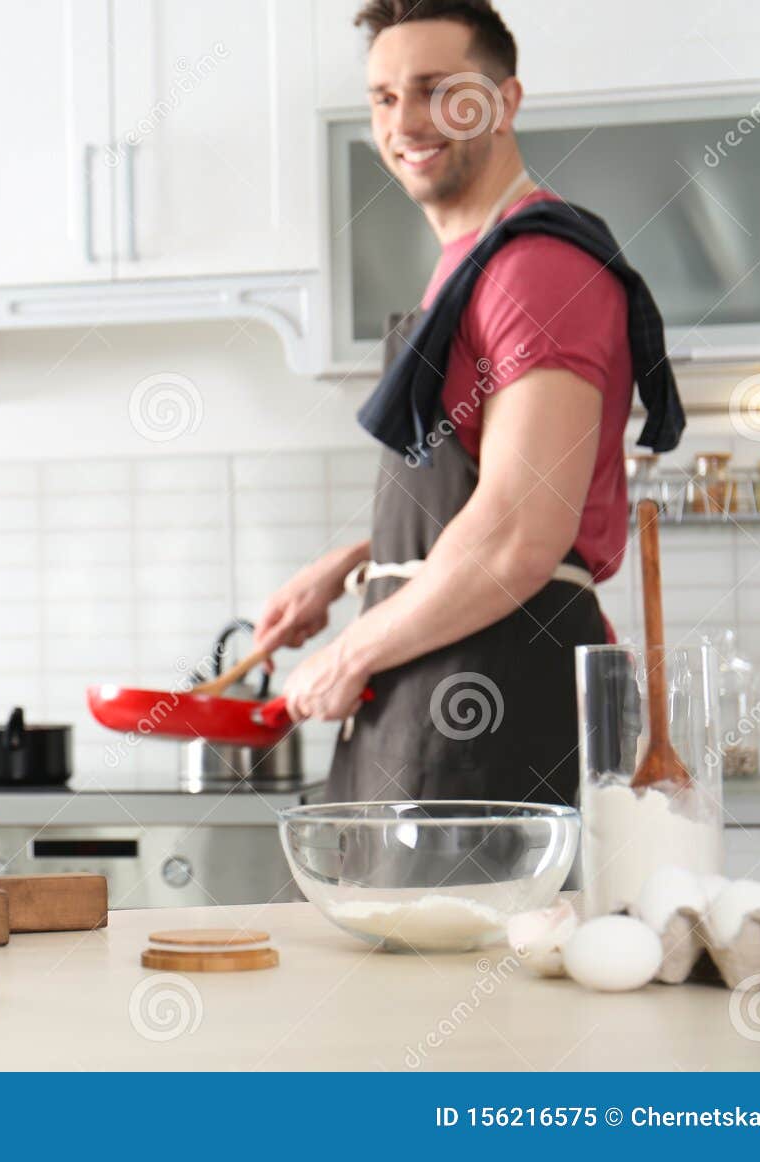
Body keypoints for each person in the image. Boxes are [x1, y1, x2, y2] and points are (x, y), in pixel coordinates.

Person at [254, 0, 683, 806]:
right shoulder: (470, 264)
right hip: (440, 693)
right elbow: (476, 494)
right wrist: (353, 568)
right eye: (383, 97)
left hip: (500, 704)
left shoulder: (540, 267)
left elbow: (522, 532)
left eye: (436, 90)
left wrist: (350, 654)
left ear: (505, 101)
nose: (405, 121)